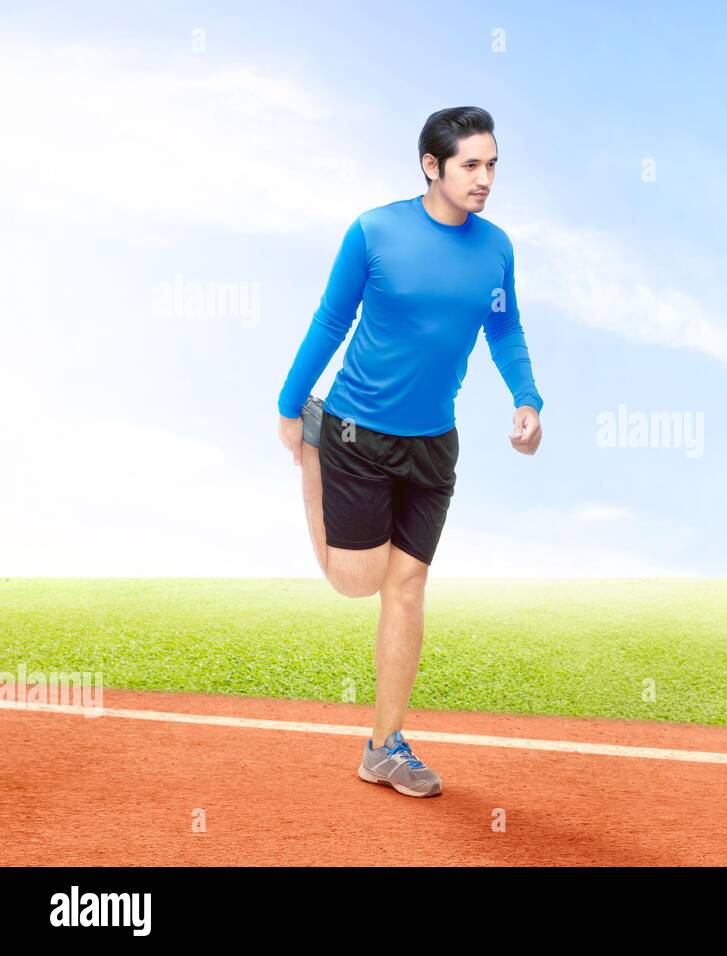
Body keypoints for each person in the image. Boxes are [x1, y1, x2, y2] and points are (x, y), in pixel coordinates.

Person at [275, 107, 543, 798]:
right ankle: (313, 449)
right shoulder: (374, 231)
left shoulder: (496, 248)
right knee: (357, 582)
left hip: (433, 443)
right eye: (471, 166)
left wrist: (527, 398)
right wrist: (288, 404)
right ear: (433, 166)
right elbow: (331, 320)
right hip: (358, 430)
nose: (485, 179)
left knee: (408, 587)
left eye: (492, 166)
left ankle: (383, 745)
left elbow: (505, 328)